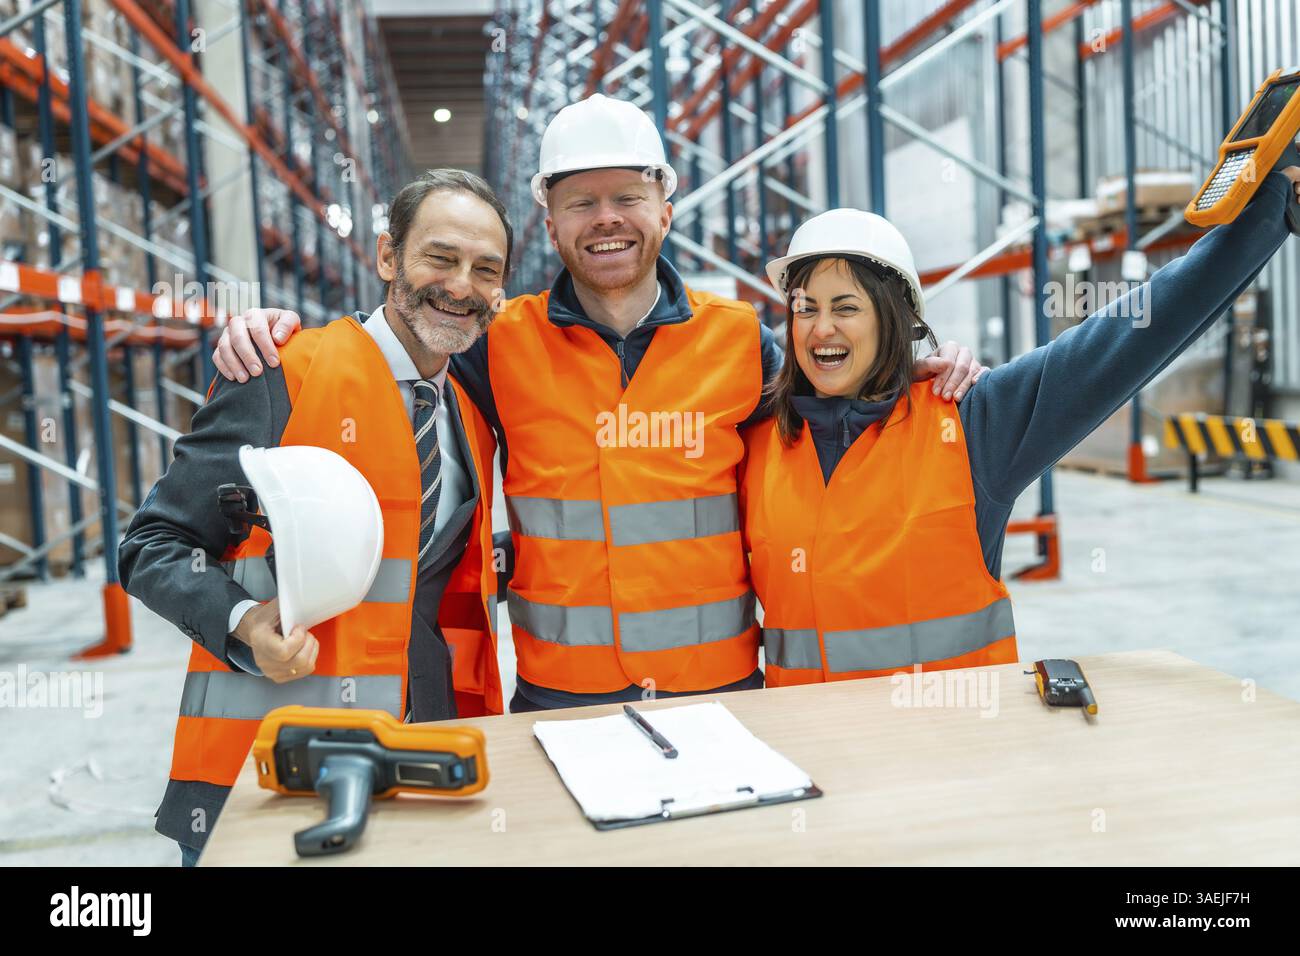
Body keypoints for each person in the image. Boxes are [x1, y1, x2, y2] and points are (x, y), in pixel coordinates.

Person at [209, 94, 983, 712]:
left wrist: (917, 361)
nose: (606, 218)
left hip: (720, 690)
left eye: (626, 197)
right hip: (560, 696)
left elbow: (836, 385)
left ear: (665, 210)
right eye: (581, 203)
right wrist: (273, 331)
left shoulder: (742, 340)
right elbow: (404, 332)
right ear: (550, 222)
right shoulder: (498, 342)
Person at [741, 158, 1300, 686]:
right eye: (805, 308)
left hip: (955, 757)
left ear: (893, 321)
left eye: (845, 308)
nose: (820, 329)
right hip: (812, 758)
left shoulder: (974, 425)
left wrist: (1271, 205)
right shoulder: (761, 434)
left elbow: (1133, 334)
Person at [119, 169, 509, 865]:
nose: (461, 286)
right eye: (440, 258)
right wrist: (242, 625)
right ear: (389, 258)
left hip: (413, 760)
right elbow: (154, 541)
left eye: (485, 270)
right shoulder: (282, 371)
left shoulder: (472, 415)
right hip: (269, 766)